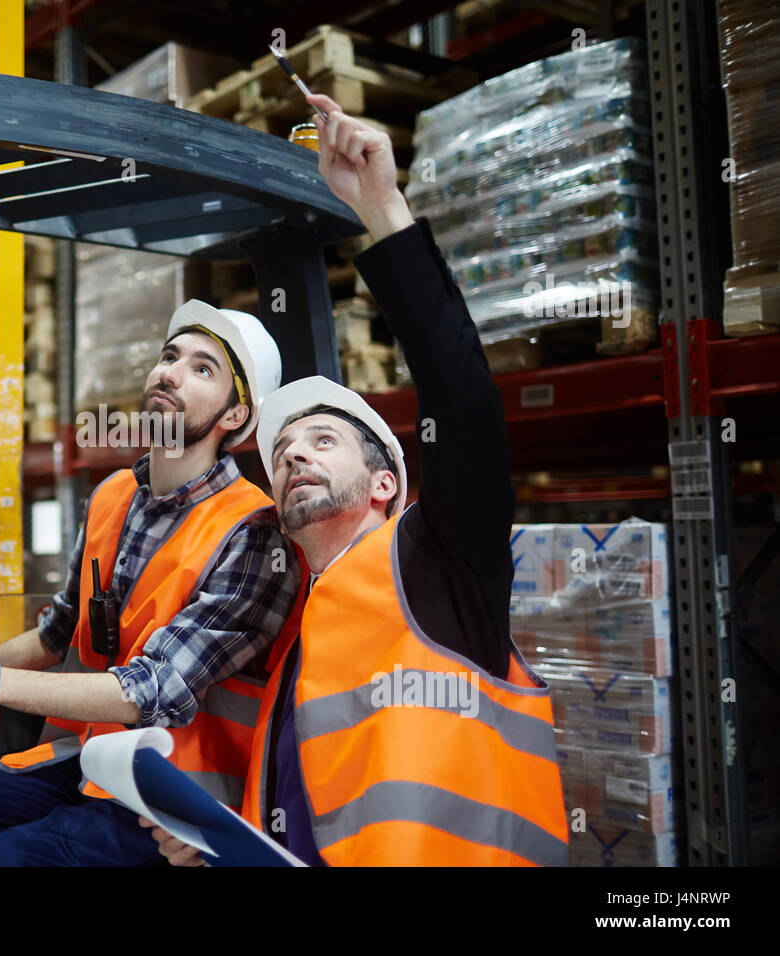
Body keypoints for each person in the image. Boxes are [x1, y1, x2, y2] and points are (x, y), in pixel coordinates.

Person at [145, 91, 569, 867]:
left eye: (323, 439)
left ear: (385, 487)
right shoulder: (302, 637)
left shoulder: (439, 570)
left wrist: (380, 204)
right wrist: (213, 844)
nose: (294, 454)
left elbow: (460, 392)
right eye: (281, 451)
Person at [0, 299, 304, 866]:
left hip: (173, 798)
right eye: (169, 356)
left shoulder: (254, 535)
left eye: (202, 370)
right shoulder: (112, 496)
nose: (171, 372)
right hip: (87, 758)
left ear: (234, 416)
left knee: (9, 861)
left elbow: (152, 691)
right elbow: (59, 635)